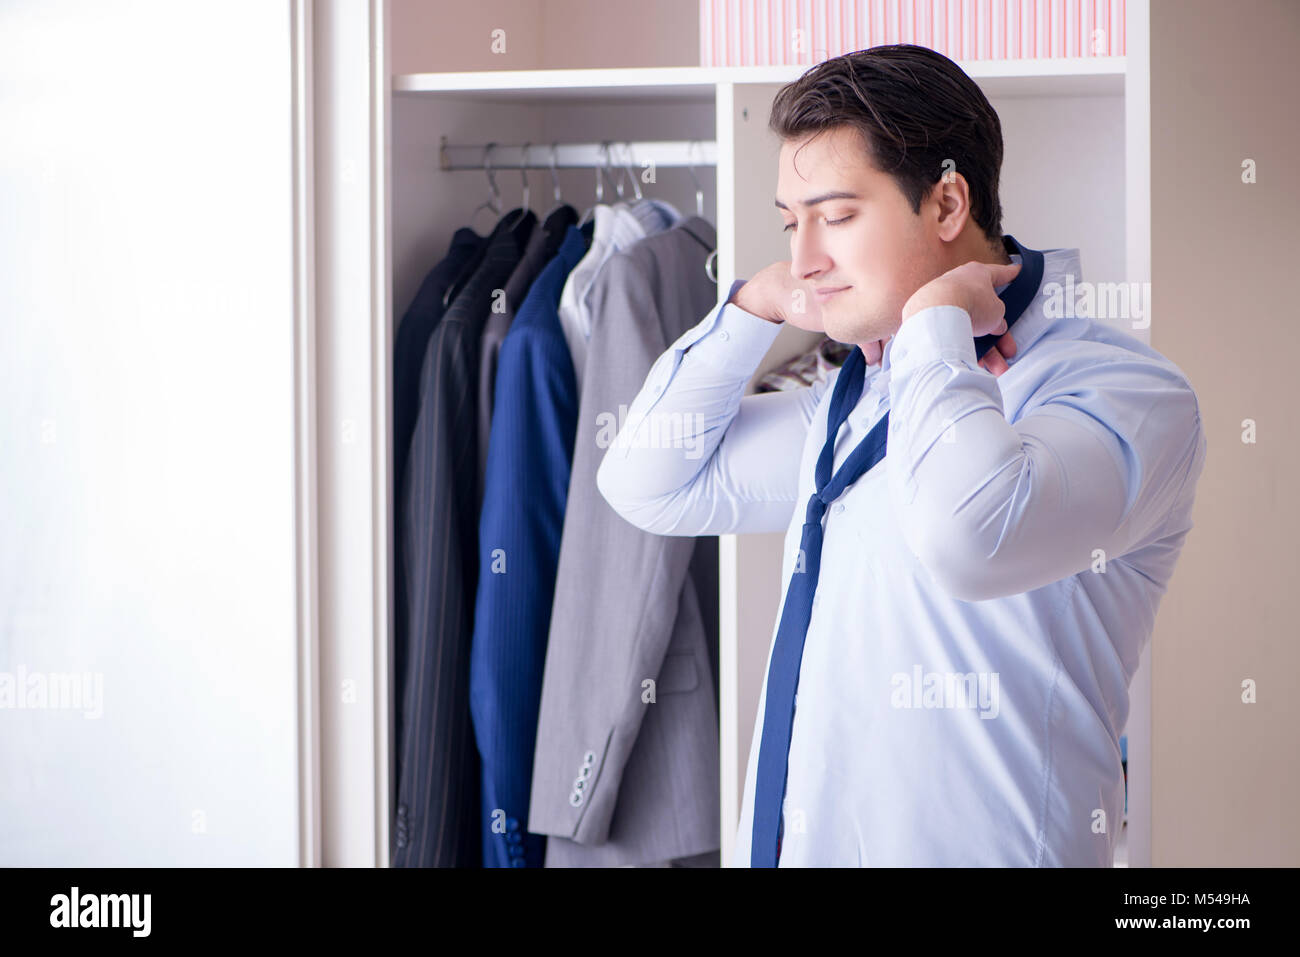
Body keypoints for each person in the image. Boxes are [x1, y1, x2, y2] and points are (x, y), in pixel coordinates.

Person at [595, 44, 1206, 867]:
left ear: (948, 200)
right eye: (790, 221)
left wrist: (933, 323)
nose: (805, 256)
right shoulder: (851, 406)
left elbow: (968, 535)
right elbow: (646, 481)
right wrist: (754, 305)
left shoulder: (1120, 393)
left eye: (836, 216)